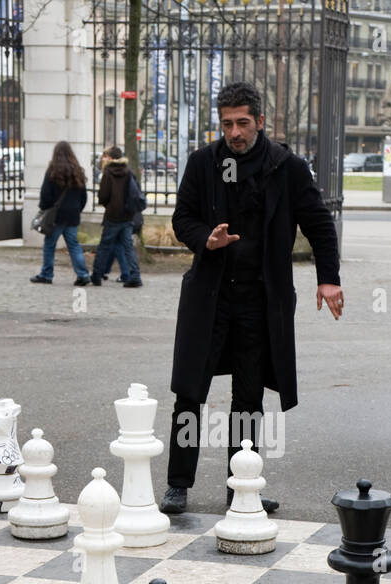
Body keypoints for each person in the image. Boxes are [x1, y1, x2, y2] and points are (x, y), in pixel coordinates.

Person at [159, 81, 343, 515]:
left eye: (243, 123)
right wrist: (206, 237)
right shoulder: (204, 163)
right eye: (227, 124)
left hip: (261, 301)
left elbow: (319, 224)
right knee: (190, 392)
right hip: (209, 296)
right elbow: (181, 216)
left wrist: (328, 279)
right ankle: (177, 485)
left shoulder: (287, 167)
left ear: (261, 121)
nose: (235, 132)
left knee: (248, 398)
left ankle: (240, 487)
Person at [30, 141, 90, 286]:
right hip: (72, 215)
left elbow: (45, 195)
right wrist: (77, 209)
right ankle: (83, 274)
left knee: (50, 245)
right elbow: (84, 196)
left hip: (55, 217)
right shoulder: (78, 171)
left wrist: (44, 209)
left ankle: (46, 274)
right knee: (74, 246)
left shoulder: (52, 171)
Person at [89, 146, 142, 288]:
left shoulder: (108, 173)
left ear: (111, 158)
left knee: (104, 246)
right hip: (127, 216)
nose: (104, 158)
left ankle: (96, 275)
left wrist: (107, 204)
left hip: (112, 216)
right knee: (128, 247)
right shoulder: (128, 171)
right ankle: (135, 275)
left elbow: (103, 196)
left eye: (106, 155)